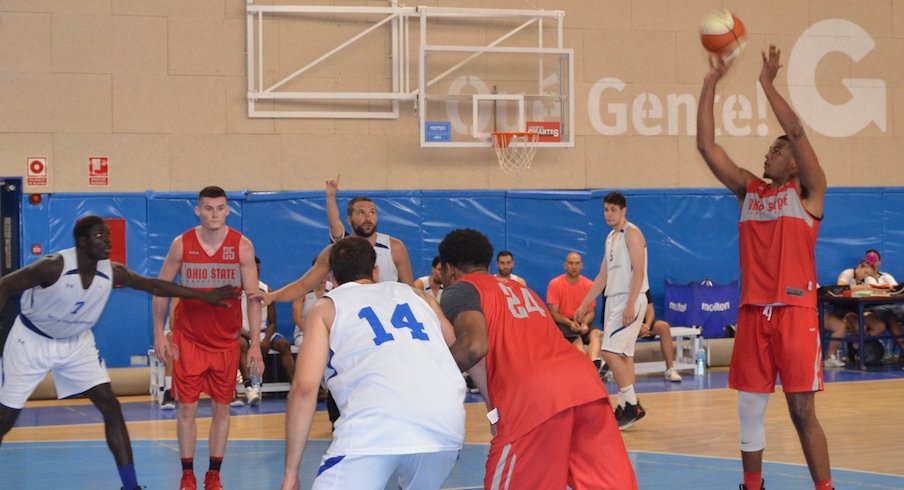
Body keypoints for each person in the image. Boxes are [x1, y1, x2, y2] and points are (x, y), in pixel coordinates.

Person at [0, 215, 236, 490]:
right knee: (6, 417)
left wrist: (205, 296)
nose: (108, 240)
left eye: (109, 235)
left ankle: (131, 485)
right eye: (100, 236)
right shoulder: (53, 267)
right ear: (81, 241)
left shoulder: (112, 272)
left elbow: (154, 285)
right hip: (32, 339)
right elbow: (5, 286)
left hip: (76, 343)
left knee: (110, 406)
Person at [697, 45, 831, 490]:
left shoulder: (810, 192)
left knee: (800, 411)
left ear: (794, 160)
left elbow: (793, 128)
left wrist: (767, 84)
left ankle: (825, 487)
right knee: (748, 409)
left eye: (776, 150)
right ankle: (752, 486)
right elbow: (707, 145)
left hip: (795, 314)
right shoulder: (748, 190)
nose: (768, 155)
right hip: (754, 313)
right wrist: (710, 85)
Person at [438, 228, 637, 489]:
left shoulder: (461, 290)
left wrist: (429, 376)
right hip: (587, 388)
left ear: (449, 270)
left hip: (535, 400)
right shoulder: (525, 291)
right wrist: (495, 417)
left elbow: (474, 346)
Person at [280, 237, 465, 490]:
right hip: (446, 422)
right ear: (375, 272)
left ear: (333, 279)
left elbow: (304, 389)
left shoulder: (326, 307)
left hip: (376, 422)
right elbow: (456, 346)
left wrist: (291, 473)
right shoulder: (417, 295)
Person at [152, 186, 264, 490]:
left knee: (222, 407)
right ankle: (187, 474)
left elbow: (253, 297)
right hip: (188, 339)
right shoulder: (181, 244)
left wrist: (254, 344)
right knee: (186, 408)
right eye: (208, 208)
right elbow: (161, 289)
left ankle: (213, 474)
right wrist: (159, 334)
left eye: (220, 208)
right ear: (198, 210)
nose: (214, 214)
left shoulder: (242, 246)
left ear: (228, 211)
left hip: (226, 341)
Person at [575, 192, 650, 430]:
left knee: (608, 352)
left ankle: (631, 405)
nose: (609, 214)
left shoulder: (633, 233)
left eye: (613, 210)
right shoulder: (610, 237)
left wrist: (630, 304)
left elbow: (638, 271)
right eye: (606, 210)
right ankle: (627, 403)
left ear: (623, 210)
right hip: (614, 300)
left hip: (630, 299)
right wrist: (584, 303)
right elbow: (602, 276)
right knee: (624, 355)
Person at [325, 175, 414, 286]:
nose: (368, 218)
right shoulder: (344, 247)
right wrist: (331, 196)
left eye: (372, 212)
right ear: (349, 219)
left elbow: (409, 288)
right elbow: (334, 224)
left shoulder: (395, 247)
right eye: (361, 213)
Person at [239, 256, 293, 406]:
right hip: (244, 332)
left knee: (284, 345)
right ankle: (249, 386)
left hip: (263, 332)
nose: (256, 271)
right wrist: (252, 337)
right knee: (241, 345)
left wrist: (266, 339)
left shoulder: (266, 290)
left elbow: (273, 322)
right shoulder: (236, 291)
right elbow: (234, 323)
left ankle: (294, 387)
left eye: (258, 269)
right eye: (253, 269)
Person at [546, 252, 602, 366]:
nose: (574, 266)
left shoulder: (589, 284)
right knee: (577, 340)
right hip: (563, 323)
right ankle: (587, 366)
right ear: (565, 265)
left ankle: (594, 361)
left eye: (577, 263)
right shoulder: (555, 284)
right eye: (571, 263)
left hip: (581, 322)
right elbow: (554, 313)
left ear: (581, 265)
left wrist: (585, 324)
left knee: (596, 333)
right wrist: (570, 323)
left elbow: (591, 312)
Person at [638, 291, 683, 382]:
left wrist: (647, 326)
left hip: (643, 325)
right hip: (626, 324)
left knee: (664, 327)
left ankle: (670, 370)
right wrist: (636, 327)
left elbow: (650, 309)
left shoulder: (643, 287)